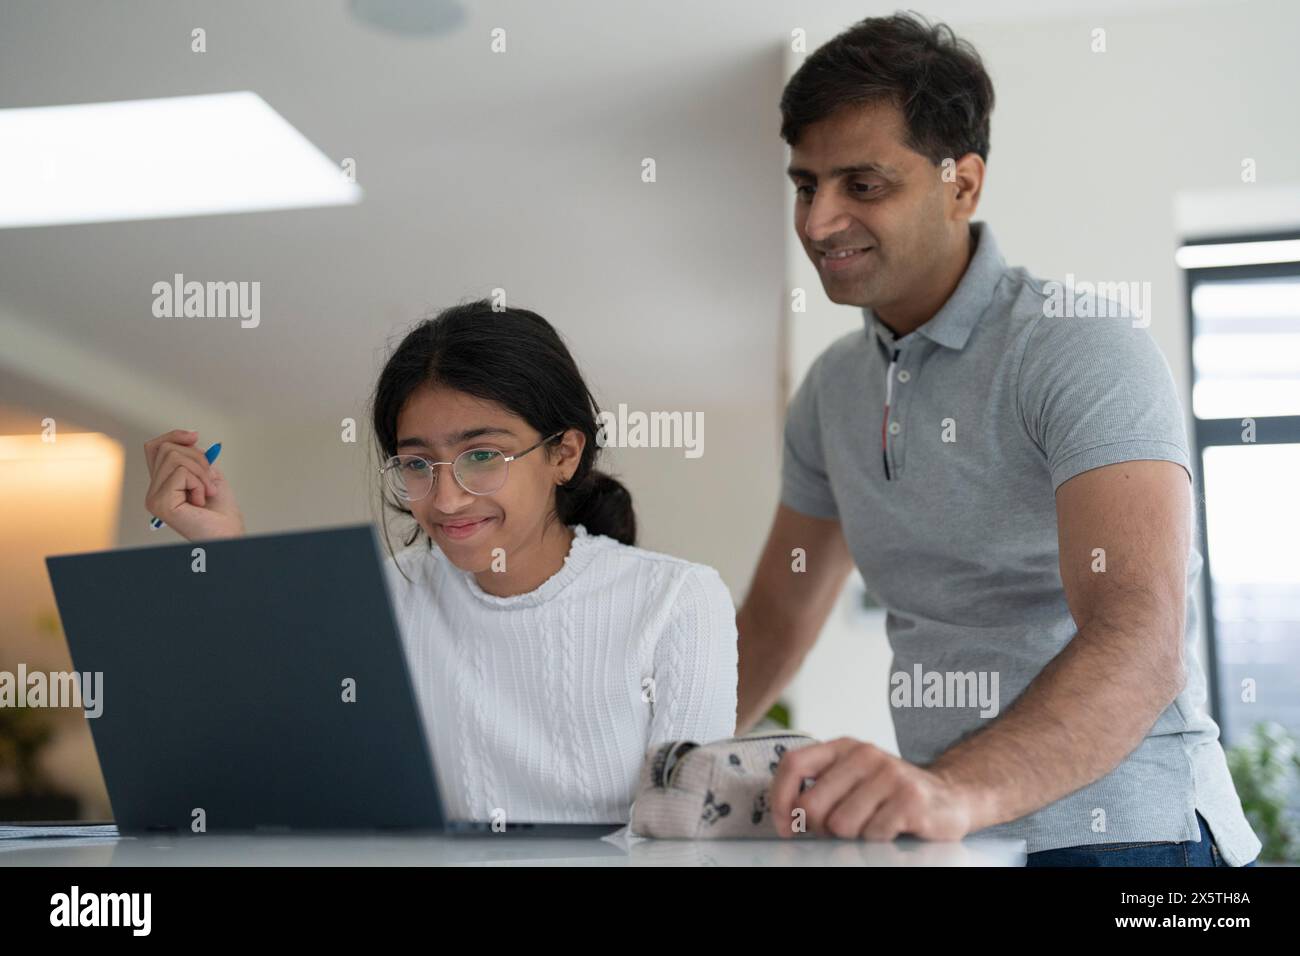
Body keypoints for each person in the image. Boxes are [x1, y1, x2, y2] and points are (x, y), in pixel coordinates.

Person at [737, 12, 1260, 866]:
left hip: (1130, 835)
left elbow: (1141, 632)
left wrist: (951, 790)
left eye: (862, 185)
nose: (820, 221)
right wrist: (644, 771)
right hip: (958, 840)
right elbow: (773, 623)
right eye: (806, 185)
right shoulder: (833, 390)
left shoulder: (1079, 347)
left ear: (962, 185)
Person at [143, 299, 738, 824]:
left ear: (564, 453)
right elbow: (268, 761)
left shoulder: (677, 601)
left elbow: (684, 841)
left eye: (482, 455)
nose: (447, 498)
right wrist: (221, 548)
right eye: (417, 463)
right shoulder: (378, 601)